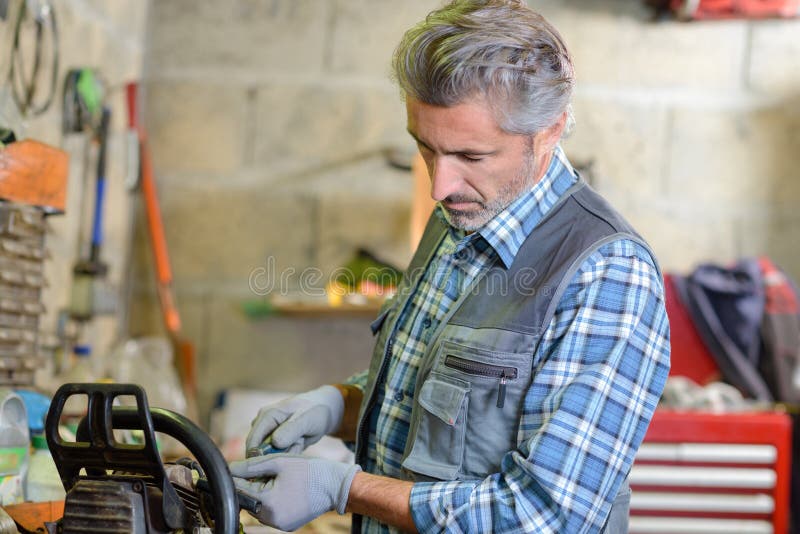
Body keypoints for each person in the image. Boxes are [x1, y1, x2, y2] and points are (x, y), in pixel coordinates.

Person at [229, 1, 671, 532]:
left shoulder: (607, 273)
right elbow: (440, 392)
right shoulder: (459, 216)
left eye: (471, 156)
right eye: (426, 149)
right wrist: (338, 404)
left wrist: (342, 488)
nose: (440, 186)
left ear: (550, 132)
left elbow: (545, 515)